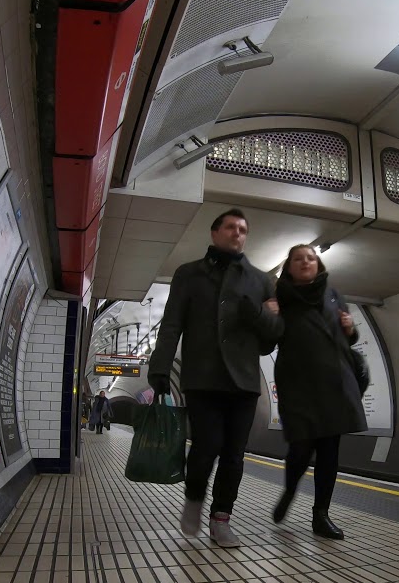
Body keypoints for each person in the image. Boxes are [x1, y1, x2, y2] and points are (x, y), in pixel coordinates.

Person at [148, 209, 283, 548]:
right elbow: (172, 323)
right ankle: (194, 499)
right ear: (214, 233)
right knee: (206, 446)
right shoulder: (188, 274)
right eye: (231, 227)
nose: (237, 233)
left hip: (244, 382)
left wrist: (260, 317)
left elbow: (271, 340)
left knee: (235, 454)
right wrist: (160, 366)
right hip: (202, 376)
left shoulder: (262, 280)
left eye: (243, 230)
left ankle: (221, 518)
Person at [270, 245, 366, 540]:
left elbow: (347, 340)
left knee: (329, 452)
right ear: (288, 267)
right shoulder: (279, 298)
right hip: (298, 383)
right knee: (300, 448)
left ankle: (321, 515)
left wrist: (351, 330)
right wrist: (269, 317)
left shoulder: (334, 295)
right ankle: (290, 488)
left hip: (333, 383)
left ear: (319, 265)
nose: (305, 262)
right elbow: (268, 338)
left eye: (311, 258)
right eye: (298, 259)